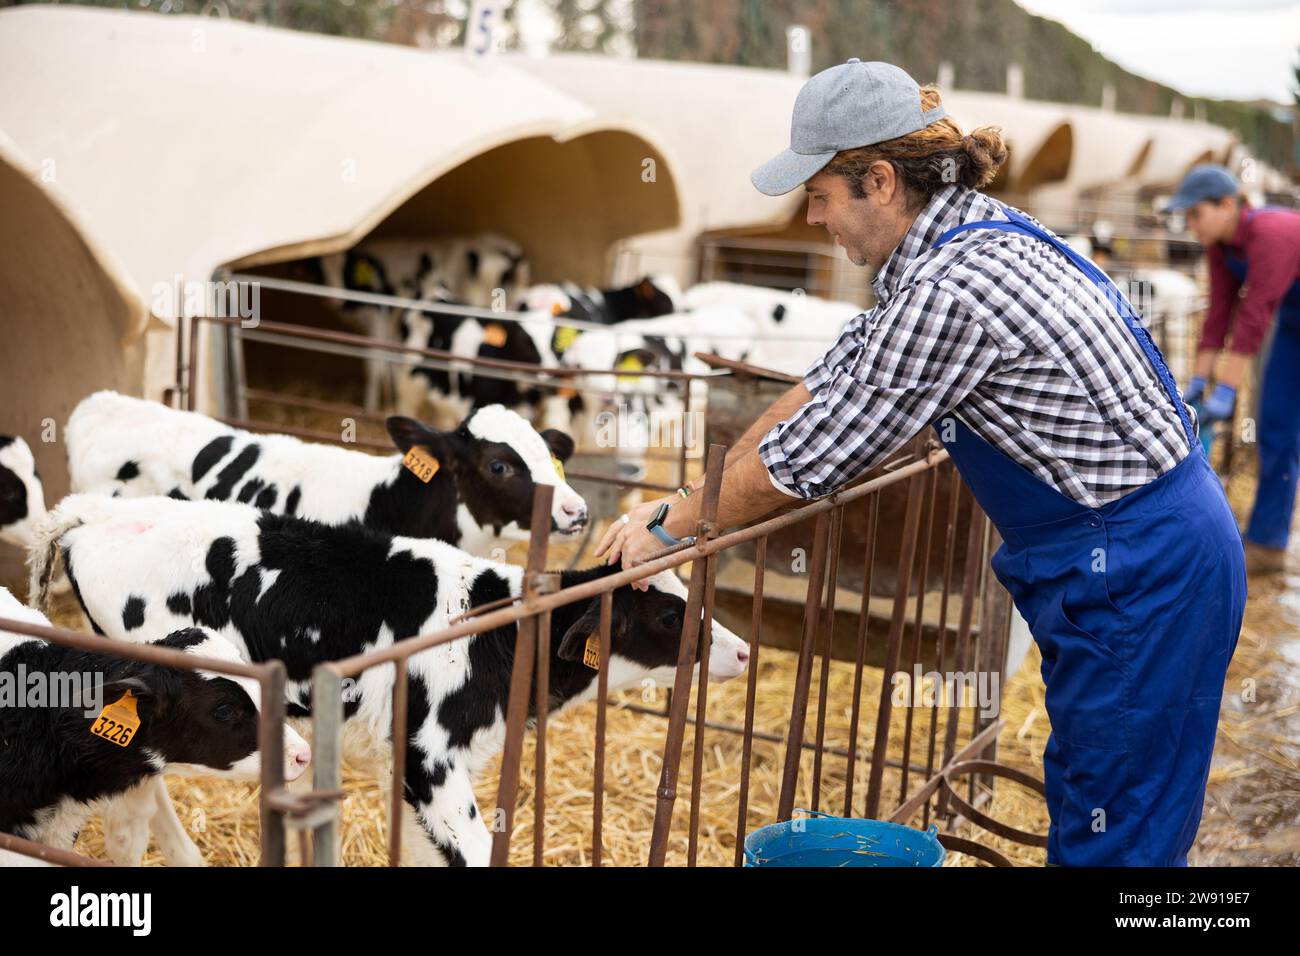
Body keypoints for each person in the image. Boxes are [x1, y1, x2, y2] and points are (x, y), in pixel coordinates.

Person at [597, 60, 1246, 866]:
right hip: (1139, 556)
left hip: (1139, 573)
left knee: (1121, 835)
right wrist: (685, 498)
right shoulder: (971, 240)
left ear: (877, 180)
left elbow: (808, 459)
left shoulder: (954, 287)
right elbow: (824, 387)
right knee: (1102, 799)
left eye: (820, 195)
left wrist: (669, 528)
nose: (812, 219)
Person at [1165, 164, 1300, 574]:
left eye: (1195, 213)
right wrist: (1199, 384)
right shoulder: (1221, 246)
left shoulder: (1272, 232)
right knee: (1275, 425)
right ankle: (1268, 543)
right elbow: (1219, 315)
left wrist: (1227, 389)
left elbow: (1255, 315)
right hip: (1295, 326)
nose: (1190, 224)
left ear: (1227, 205)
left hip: (1283, 319)